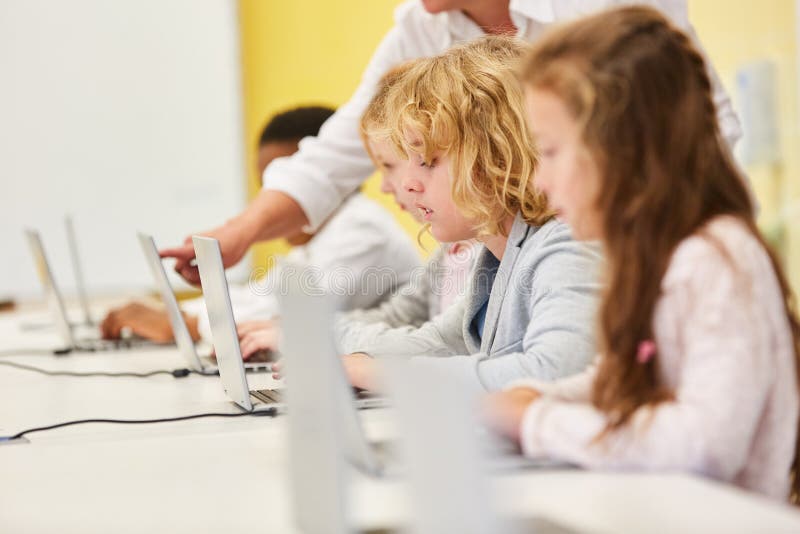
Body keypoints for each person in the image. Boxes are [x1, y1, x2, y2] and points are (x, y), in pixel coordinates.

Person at [160, 0, 740, 287]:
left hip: (657, 248)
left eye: (428, 160)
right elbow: (336, 152)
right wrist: (238, 235)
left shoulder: (600, 10)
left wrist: (675, 264)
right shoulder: (423, 25)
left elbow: (700, 130)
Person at [482, 6, 800, 501]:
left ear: (624, 148)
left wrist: (537, 422)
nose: (539, 180)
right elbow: (619, 381)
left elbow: (705, 444)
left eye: (551, 151)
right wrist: (534, 397)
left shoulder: (715, 261)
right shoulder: (652, 256)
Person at [294, 36, 602, 393]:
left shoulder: (567, 242)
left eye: (427, 161)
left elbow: (554, 372)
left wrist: (382, 374)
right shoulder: (499, 256)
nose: (407, 183)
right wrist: (324, 345)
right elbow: (438, 344)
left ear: (497, 155)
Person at [101, 106, 420, 344]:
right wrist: (170, 313)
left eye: (284, 187)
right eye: (267, 187)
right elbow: (258, 298)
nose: (272, 200)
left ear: (324, 178)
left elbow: (292, 317)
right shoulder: (316, 239)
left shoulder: (361, 229)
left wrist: (181, 323)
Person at [237, 65, 478, 360]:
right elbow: (398, 317)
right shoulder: (448, 251)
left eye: (425, 161)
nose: (388, 186)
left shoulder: (362, 228)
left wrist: (308, 336)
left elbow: (444, 343)